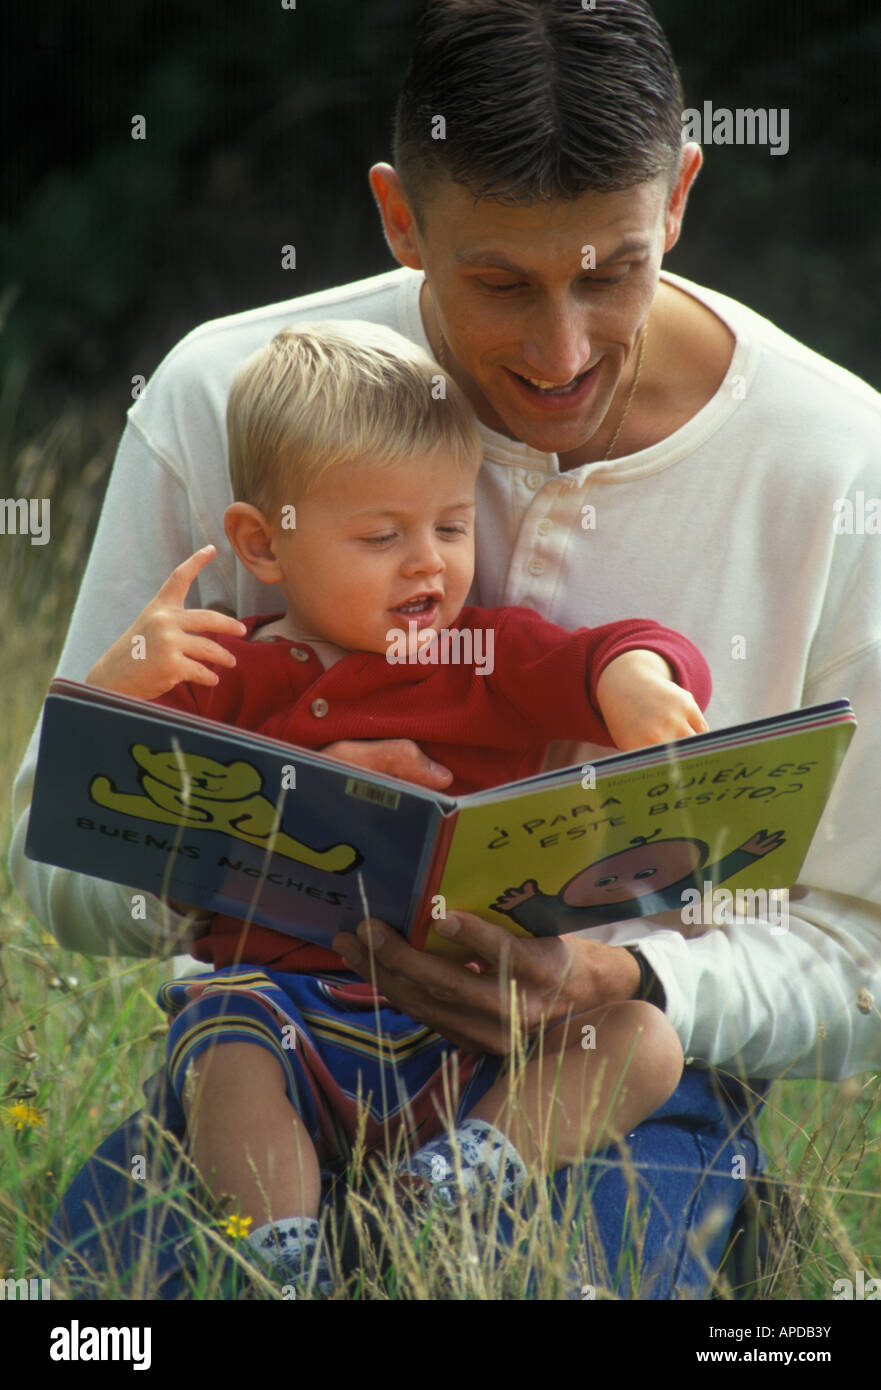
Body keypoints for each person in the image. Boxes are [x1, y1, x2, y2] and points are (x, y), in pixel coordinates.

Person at [12, 0, 881, 1298]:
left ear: (683, 193)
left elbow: (859, 962)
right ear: (398, 217)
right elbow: (56, 865)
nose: (560, 348)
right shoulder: (230, 396)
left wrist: (623, 972)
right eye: (498, 282)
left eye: (609, 271)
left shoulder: (841, 461)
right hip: (282, 1042)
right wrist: (249, 840)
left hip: (601, 1089)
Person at [82, 319, 710, 1292]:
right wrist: (122, 679)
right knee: (219, 1043)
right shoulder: (228, 668)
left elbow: (591, 654)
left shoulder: (480, 654)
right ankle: (287, 1254)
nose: (427, 563)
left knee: (643, 1038)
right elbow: (112, 788)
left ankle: (447, 1187)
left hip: (468, 1037)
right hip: (286, 1011)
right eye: (380, 536)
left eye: (451, 527)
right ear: (264, 543)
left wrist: (633, 675)